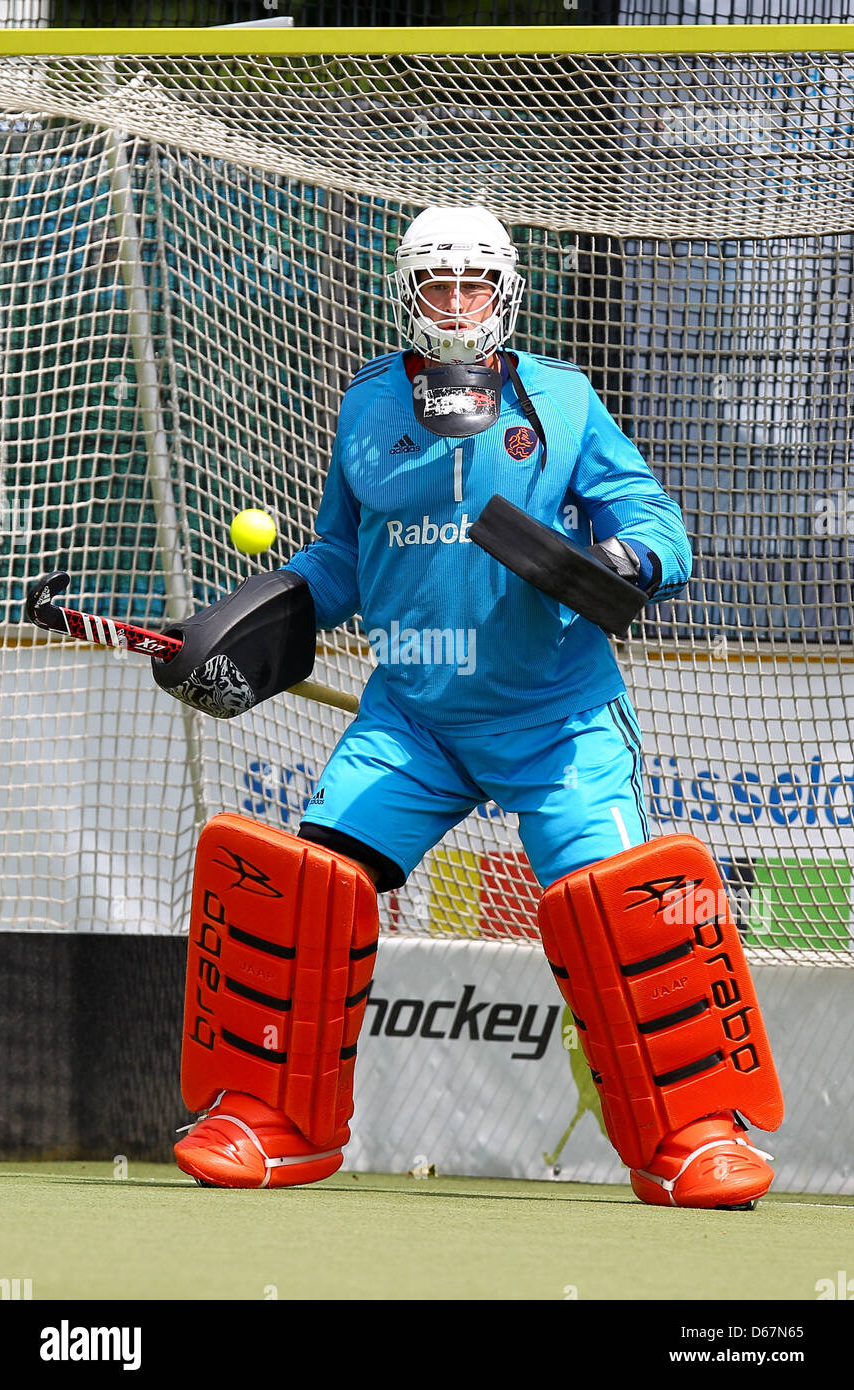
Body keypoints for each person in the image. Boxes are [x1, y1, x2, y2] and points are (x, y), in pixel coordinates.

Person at [171, 205, 783, 1207]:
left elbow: (655, 520)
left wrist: (626, 556)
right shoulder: (367, 403)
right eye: (436, 284)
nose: (456, 306)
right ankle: (273, 1120)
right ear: (406, 291)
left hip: (559, 719)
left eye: (474, 284)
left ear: (508, 290)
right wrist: (248, 626)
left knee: (622, 917)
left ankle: (690, 1131)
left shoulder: (566, 402)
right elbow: (338, 559)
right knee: (314, 887)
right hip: (412, 718)